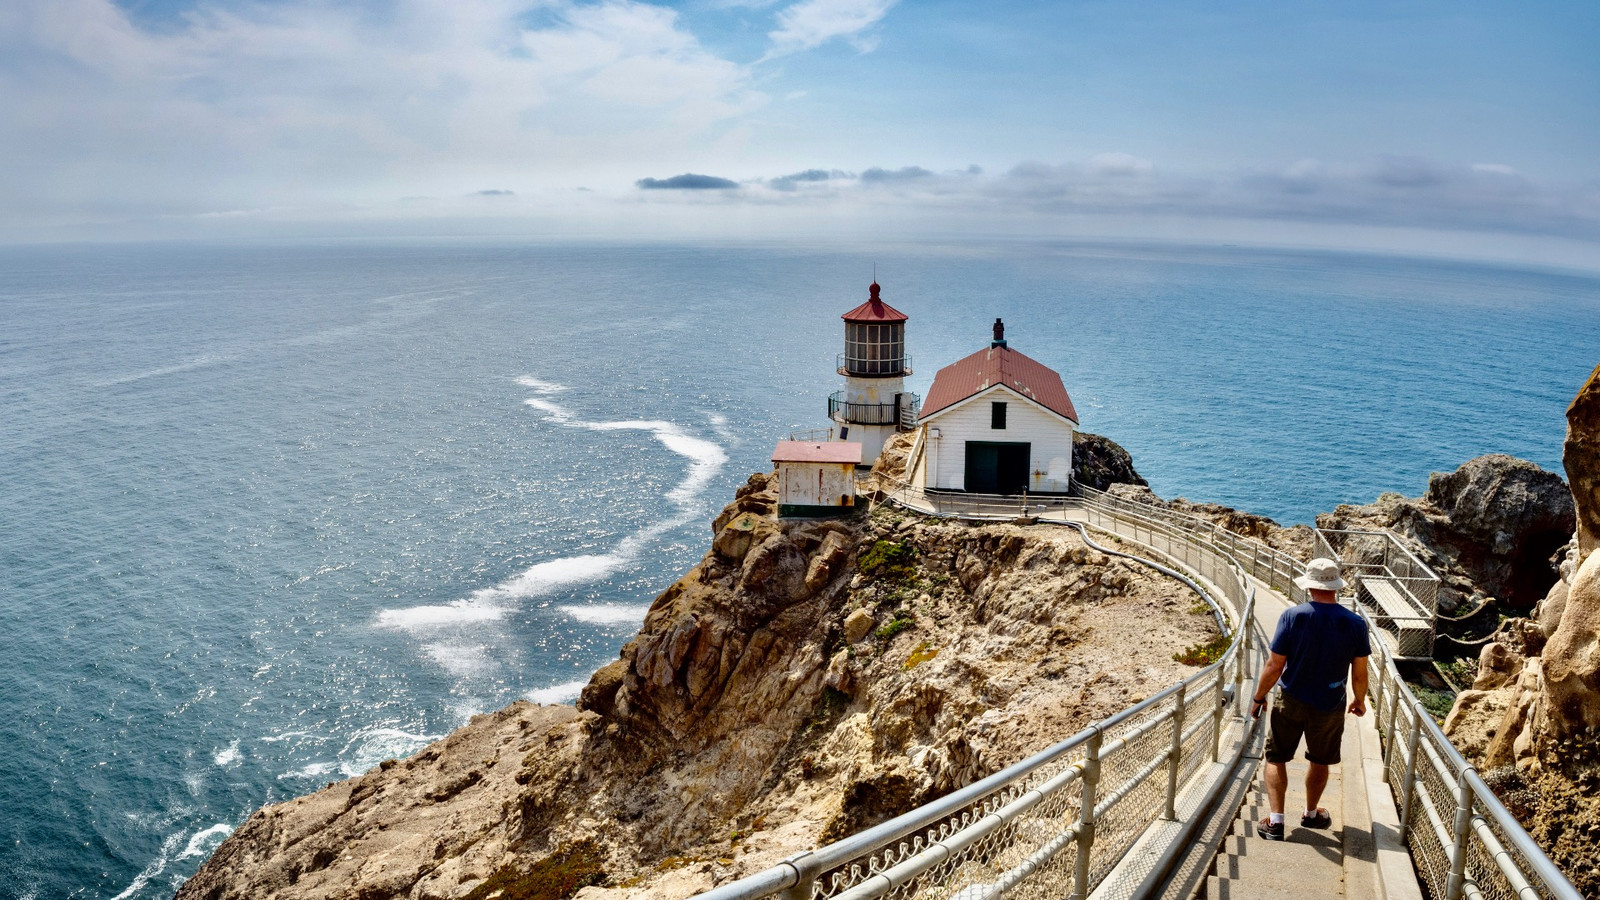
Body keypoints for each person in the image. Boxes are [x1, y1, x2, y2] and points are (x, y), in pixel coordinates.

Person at [1249, 557, 1370, 841]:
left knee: (1276, 757)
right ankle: (1312, 814)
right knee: (1320, 760)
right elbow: (1360, 671)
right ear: (1336, 587)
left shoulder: (1294, 616)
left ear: (1310, 585)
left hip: (1290, 698)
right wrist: (1359, 700)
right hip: (1330, 702)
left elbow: (1274, 665)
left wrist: (1258, 696)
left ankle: (1276, 822)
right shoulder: (1355, 623)